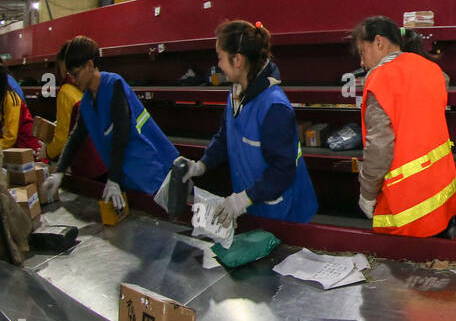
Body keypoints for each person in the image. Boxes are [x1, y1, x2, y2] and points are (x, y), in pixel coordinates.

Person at [178, 21, 317, 225]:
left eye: (221, 58)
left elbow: (283, 170)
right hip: (255, 207)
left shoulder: (274, 107)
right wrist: (201, 165)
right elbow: (225, 136)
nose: (219, 65)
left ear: (238, 60)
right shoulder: (236, 93)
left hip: (284, 214)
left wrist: (242, 199)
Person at [42, 36, 179, 211]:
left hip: (150, 171)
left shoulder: (114, 85)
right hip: (128, 178)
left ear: (90, 66)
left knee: (164, 221)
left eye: (76, 74)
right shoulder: (87, 102)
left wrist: (112, 179)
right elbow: (76, 137)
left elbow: (121, 133)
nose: (74, 80)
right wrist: (59, 172)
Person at [352, 16, 456, 236]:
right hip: (441, 190)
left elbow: (379, 148)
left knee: (403, 265)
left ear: (379, 42)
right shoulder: (432, 70)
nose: (362, 63)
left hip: (407, 203)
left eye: (363, 52)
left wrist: (367, 193)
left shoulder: (380, 79)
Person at [44, 41, 86, 162]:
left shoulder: (66, 91)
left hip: (83, 161)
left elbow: (62, 140)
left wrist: (47, 152)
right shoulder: (87, 86)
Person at [0, 62, 40, 152]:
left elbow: (10, 138)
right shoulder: (3, 98)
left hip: (25, 147)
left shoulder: (11, 100)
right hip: (11, 148)